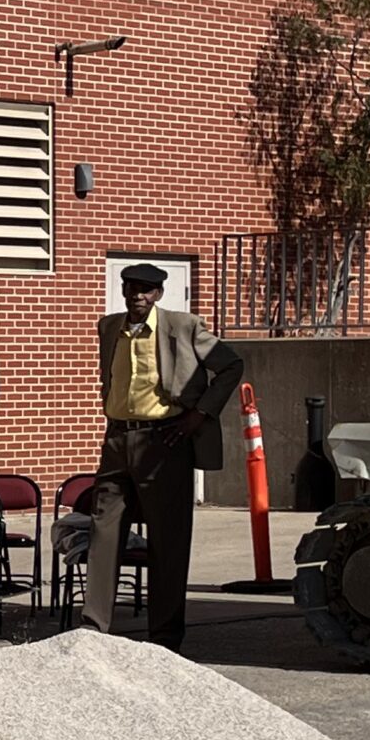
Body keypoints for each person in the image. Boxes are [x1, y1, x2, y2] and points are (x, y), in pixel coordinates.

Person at [83, 263, 242, 654]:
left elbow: (231, 365)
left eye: (145, 289)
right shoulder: (109, 327)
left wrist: (199, 414)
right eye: (130, 287)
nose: (136, 294)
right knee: (104, 531)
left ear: (157, 295)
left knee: (168, 540)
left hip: (165, 439)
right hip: (118, 439)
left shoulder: (183, 326)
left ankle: (165, 637)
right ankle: (92, 629)